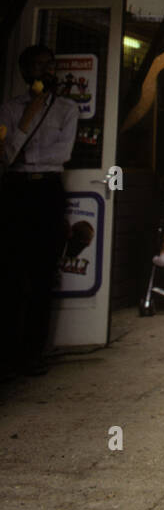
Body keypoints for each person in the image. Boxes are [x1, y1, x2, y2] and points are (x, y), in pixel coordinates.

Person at [0, 45, 79, 377]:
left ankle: (33, 352)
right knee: (12, 272)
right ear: (25, 72)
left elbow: (62, 154)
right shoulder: (9, 109)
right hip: (17, 189)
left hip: (46, 189)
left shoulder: (66, 109)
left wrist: (24, 151)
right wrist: (29, 114)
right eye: (37, 65)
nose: (44, 71)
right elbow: (6, 155)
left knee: (43, 271)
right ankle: (8, 351)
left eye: (49, 65)